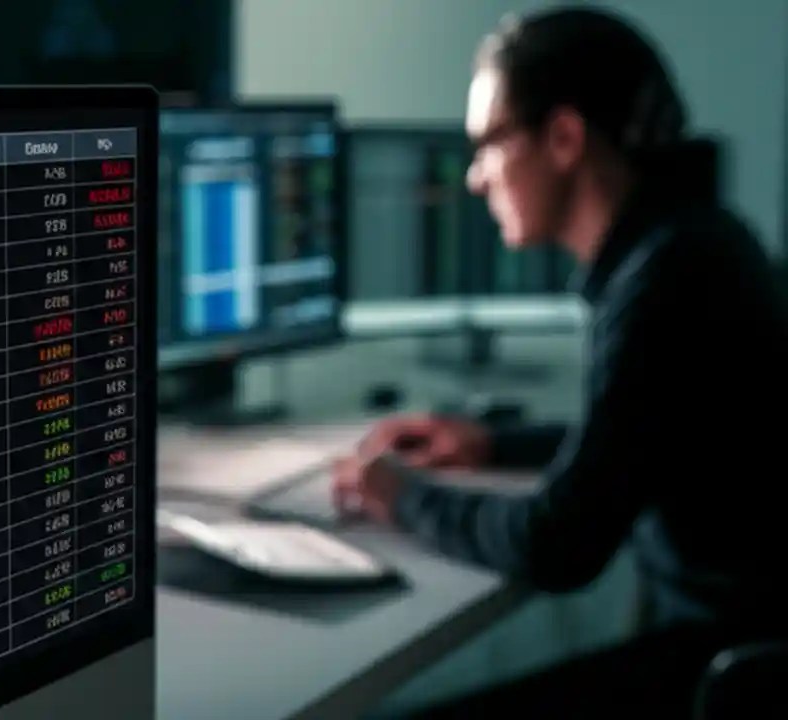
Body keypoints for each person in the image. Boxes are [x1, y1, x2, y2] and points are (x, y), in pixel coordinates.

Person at [331, 7, 788, 717]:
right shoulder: (691, 242)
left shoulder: (668, 277)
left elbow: (558, 545)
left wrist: (400, 495)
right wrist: (493, 442)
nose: (477, 179)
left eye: (488, 144)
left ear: (565, 137)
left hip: (723, 670)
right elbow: (649, 438)